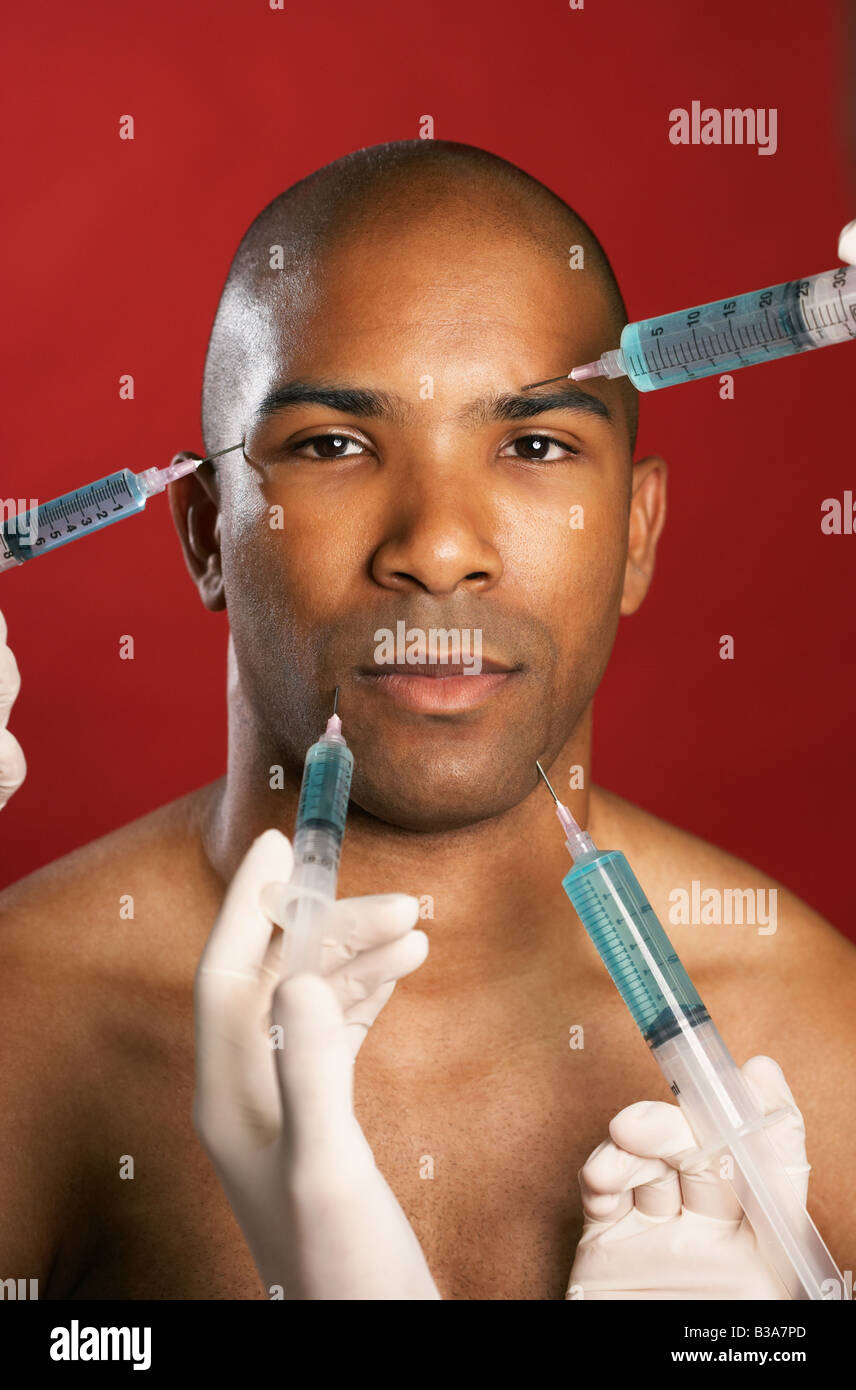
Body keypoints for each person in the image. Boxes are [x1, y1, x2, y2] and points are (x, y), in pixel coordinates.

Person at [0, 143, 853, 1300]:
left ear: (638, 533)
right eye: (333, 445)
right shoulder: (26, 1026)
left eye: (535, 442)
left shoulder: (820, 1053)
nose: (438, 546)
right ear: (207, 535)